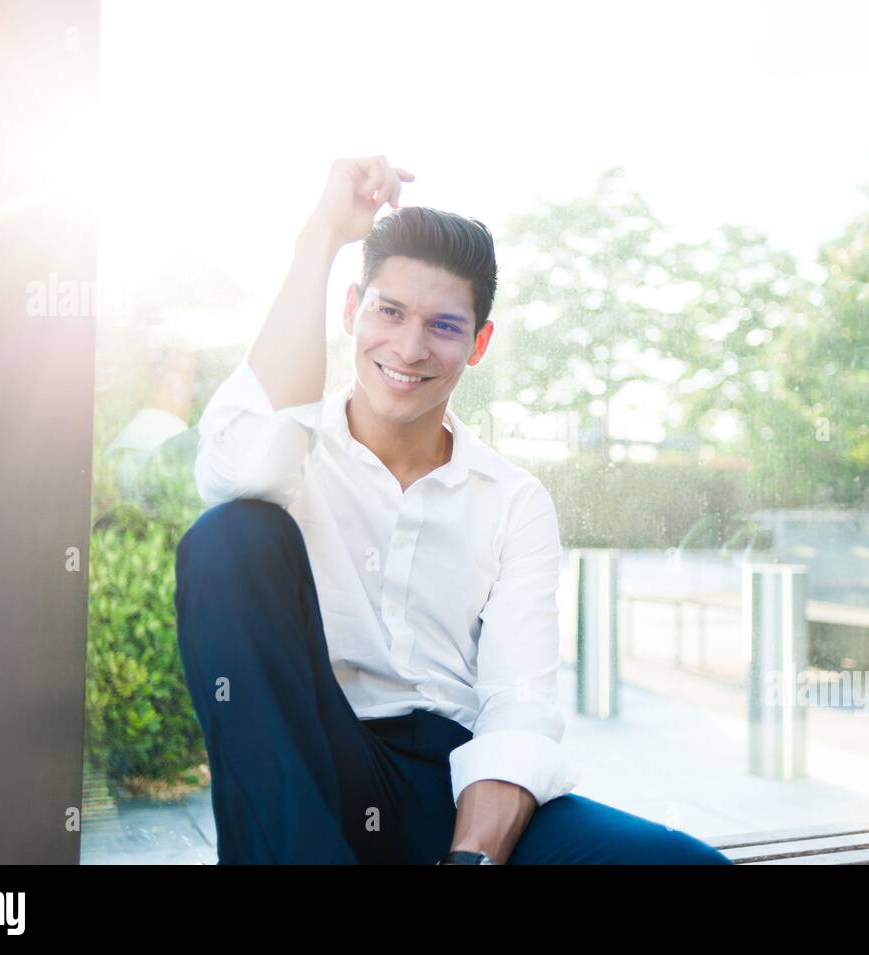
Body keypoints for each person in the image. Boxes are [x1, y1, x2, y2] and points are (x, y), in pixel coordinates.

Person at [174, 155, 732, 865]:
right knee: (231, 535)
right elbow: (242, 474)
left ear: (479, 343)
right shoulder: (293, 452)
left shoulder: (514, 501)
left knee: (688, 867)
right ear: (351, 310)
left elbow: (518, 705)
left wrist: (470, 859)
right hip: (315, 774)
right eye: (389, 311)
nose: (409, 348)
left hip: (458, 785)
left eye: (442, 325)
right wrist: (321, 236)